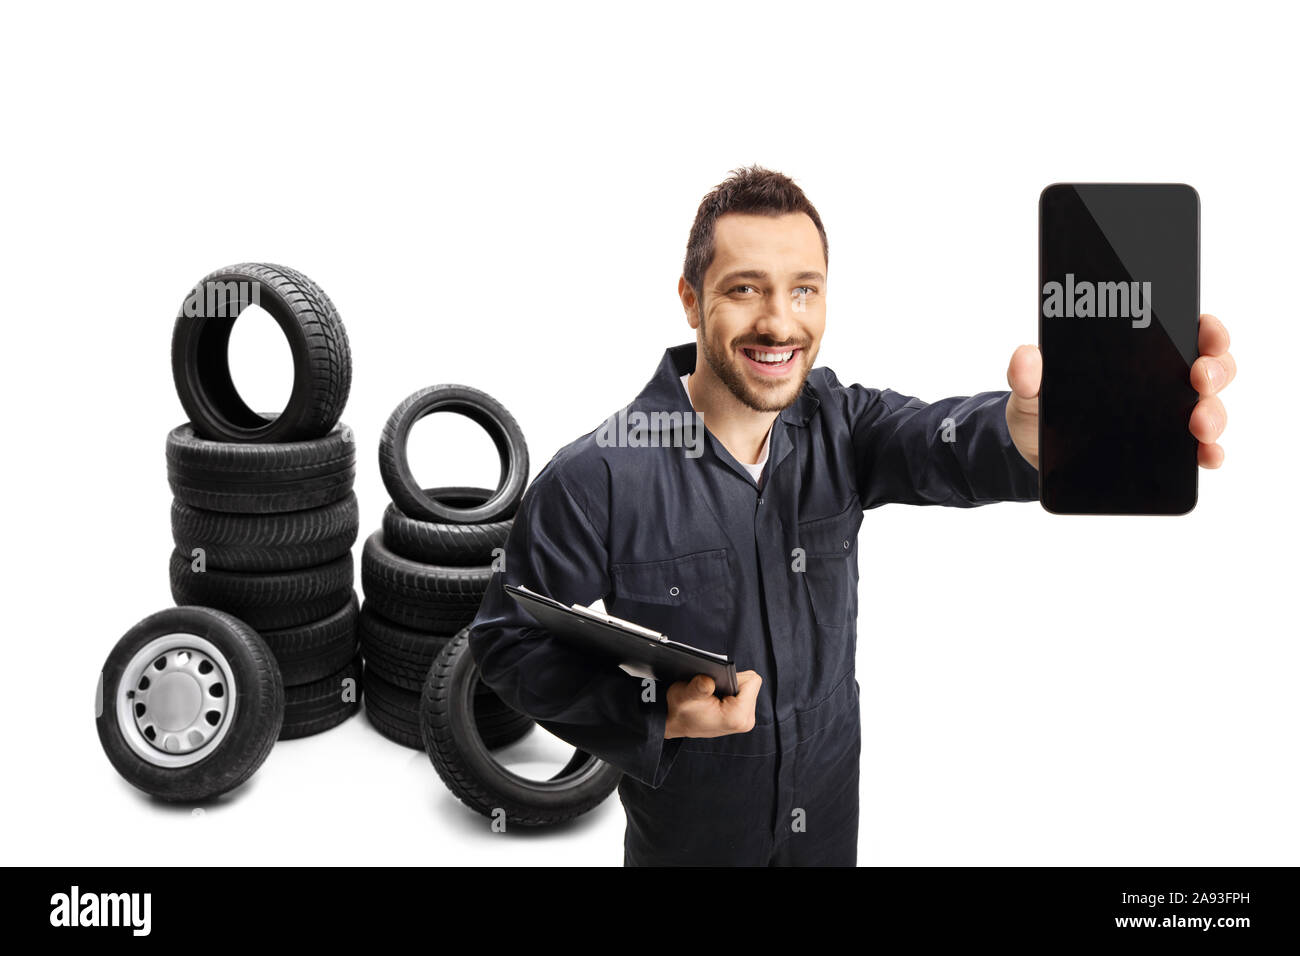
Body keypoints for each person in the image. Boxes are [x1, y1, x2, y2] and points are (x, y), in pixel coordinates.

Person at [467, 165, 1236, 866]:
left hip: (827, 820)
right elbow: (504, 641)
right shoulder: (600, 473)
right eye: (745, 289)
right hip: (691, 841)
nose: (779, 321)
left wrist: (1036, 438)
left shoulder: (843, 425)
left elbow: (947, 441)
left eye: (804, 289)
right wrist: (651, 709)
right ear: (690, 299)